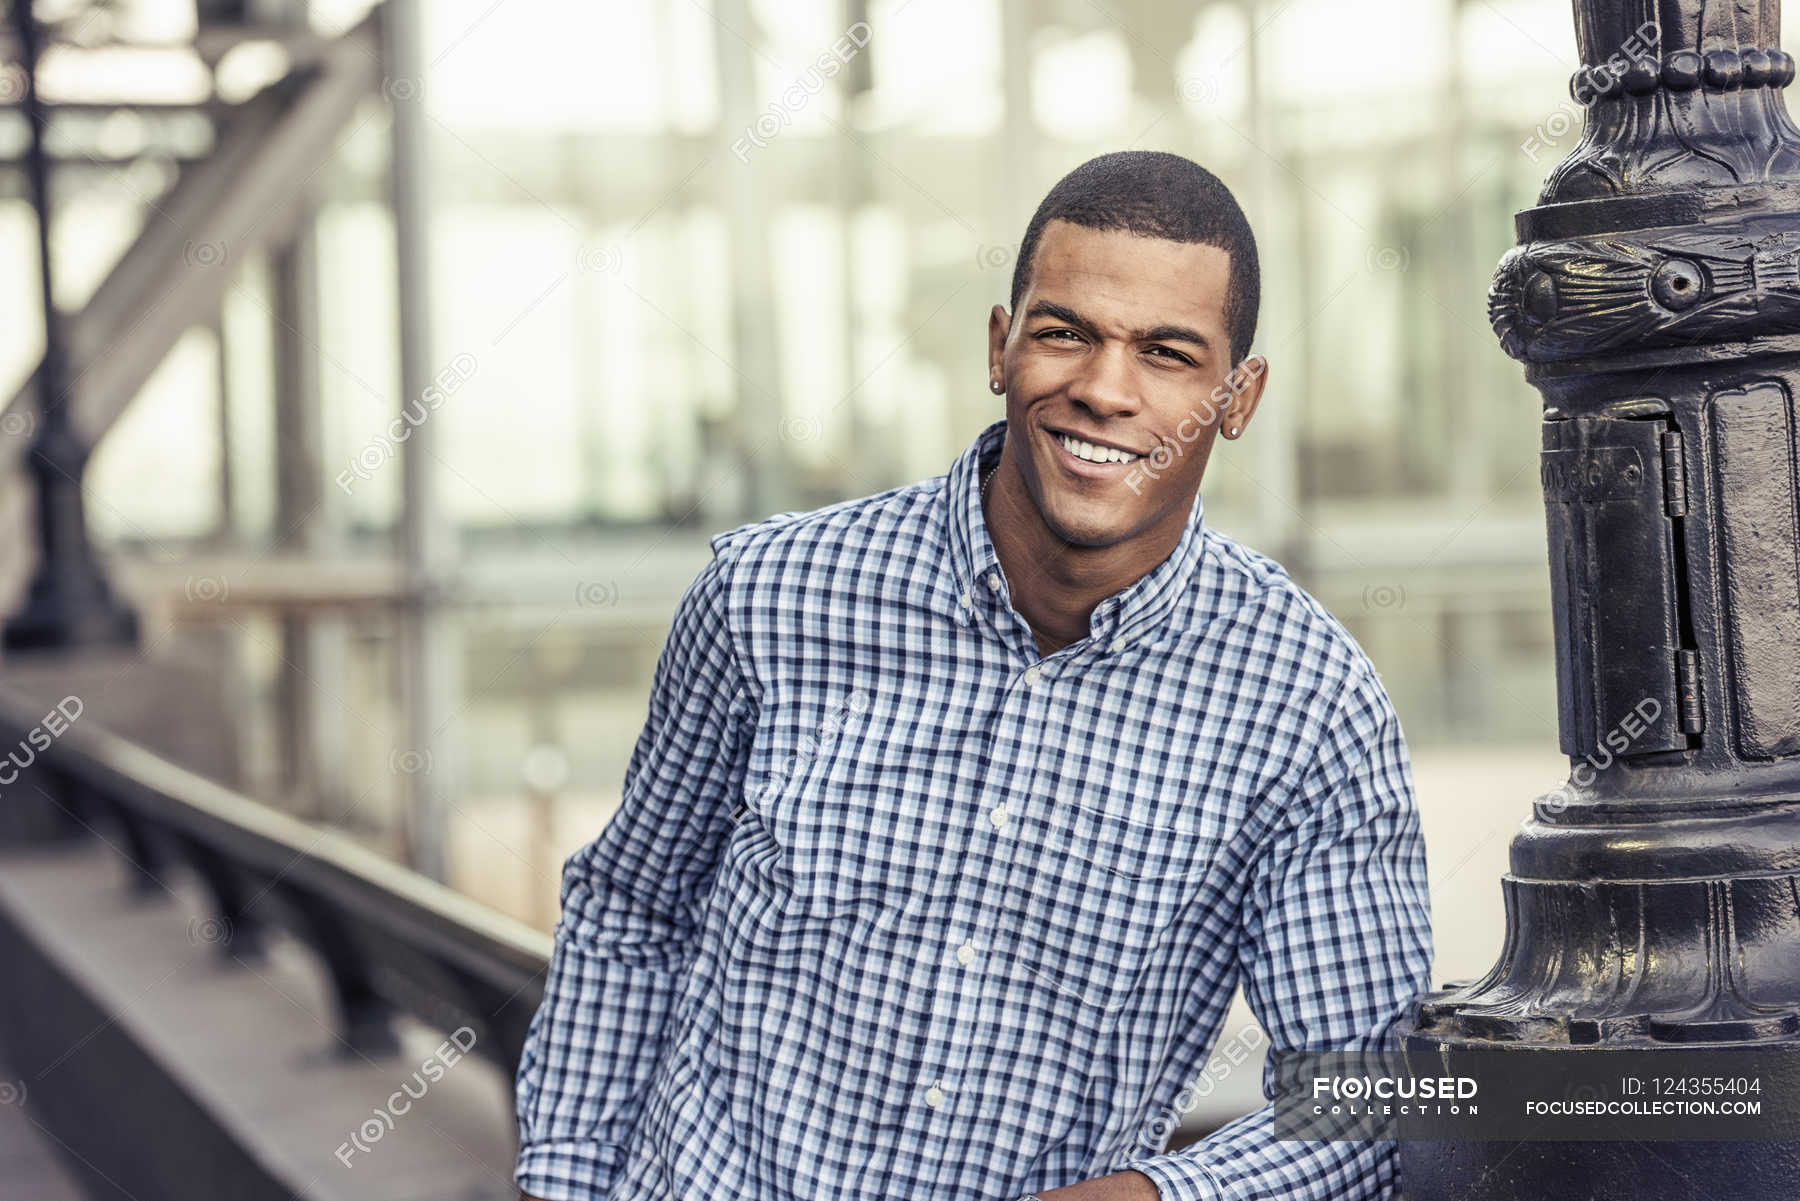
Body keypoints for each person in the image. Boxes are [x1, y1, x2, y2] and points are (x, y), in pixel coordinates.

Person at [514, 149, 1433, 1201]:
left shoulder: (1307, 707)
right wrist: (565, 1182)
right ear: (1002, 347)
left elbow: (1368, 1095)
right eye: (1065, 332)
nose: (1105, 389)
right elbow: (632, 907)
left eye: (1169, 353)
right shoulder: (769, 594)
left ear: (1237, 395)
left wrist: (1152, 1197)